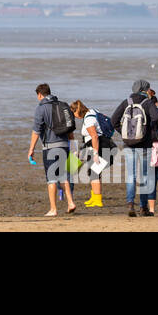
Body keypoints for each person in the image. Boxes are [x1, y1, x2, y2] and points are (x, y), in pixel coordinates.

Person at [111, 79, 158, 217]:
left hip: (128, 144)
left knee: (131, 175)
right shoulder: (148, 102)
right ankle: (143, 207)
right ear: (145, 90)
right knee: (145, 176)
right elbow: (156, 117)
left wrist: (123, 132)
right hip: (145, 145)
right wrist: (150, 132)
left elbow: (113, 120)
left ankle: (130, 204)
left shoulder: (126, 102)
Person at [28, 83, 77, 216]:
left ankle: (53, 209)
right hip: (64, 145)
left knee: (51, 178)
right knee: (63, 176)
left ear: (40, 94)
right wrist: (73, 147)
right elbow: (70, 128)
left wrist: (31, 149)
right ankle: (70, 202)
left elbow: (36, 131)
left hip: (50, 147)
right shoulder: (62, 105)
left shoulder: (41, 108)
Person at [72, 100, 113, 208]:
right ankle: (93, 197)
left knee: (94, 173)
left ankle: (97, 200)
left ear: (78, 111)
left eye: (74, 114)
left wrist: (95, 153)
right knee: (92, 172)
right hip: (97, 145)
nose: (74, 117)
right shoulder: (93, 111)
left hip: (98, 146)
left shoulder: (89, 120)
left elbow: (94, 136)